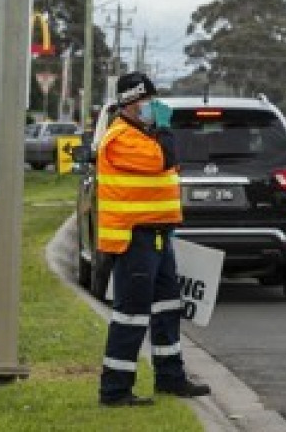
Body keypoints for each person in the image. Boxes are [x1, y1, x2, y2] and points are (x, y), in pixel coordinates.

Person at [97, 72, 211, 407]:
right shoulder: (120, 138)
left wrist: (159, 131)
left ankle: (170, 378)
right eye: (146, 101)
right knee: (131, 314)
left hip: (158, 235)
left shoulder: (144, 136)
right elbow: (165, 159)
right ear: (129, 105)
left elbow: (166, 167)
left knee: (167, 307)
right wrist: (163, 128)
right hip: (134, 238)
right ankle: (115, 390)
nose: (152, 106)